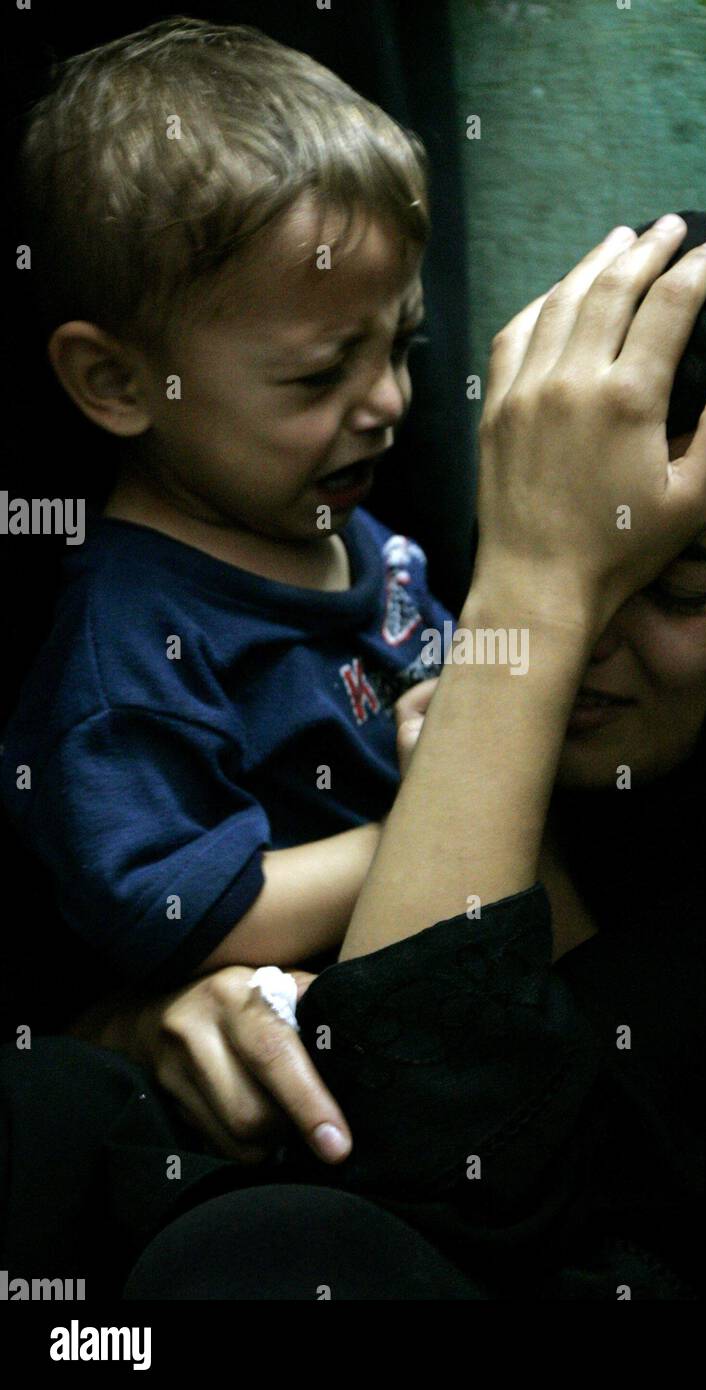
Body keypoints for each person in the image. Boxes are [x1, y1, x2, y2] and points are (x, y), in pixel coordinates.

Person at [1, 210, 706, 1299]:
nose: (581, 640)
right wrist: (153, 1027)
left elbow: (403, 1179)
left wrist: (533, 592)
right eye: (542, 534)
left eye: (678, 586)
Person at [0, 19, 453, 1069]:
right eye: (317, 375)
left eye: (403, 344)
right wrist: (443, 824)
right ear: (118, 383)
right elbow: (183, 908)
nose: (389, 400)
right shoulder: (127, 651)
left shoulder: (324, 514)